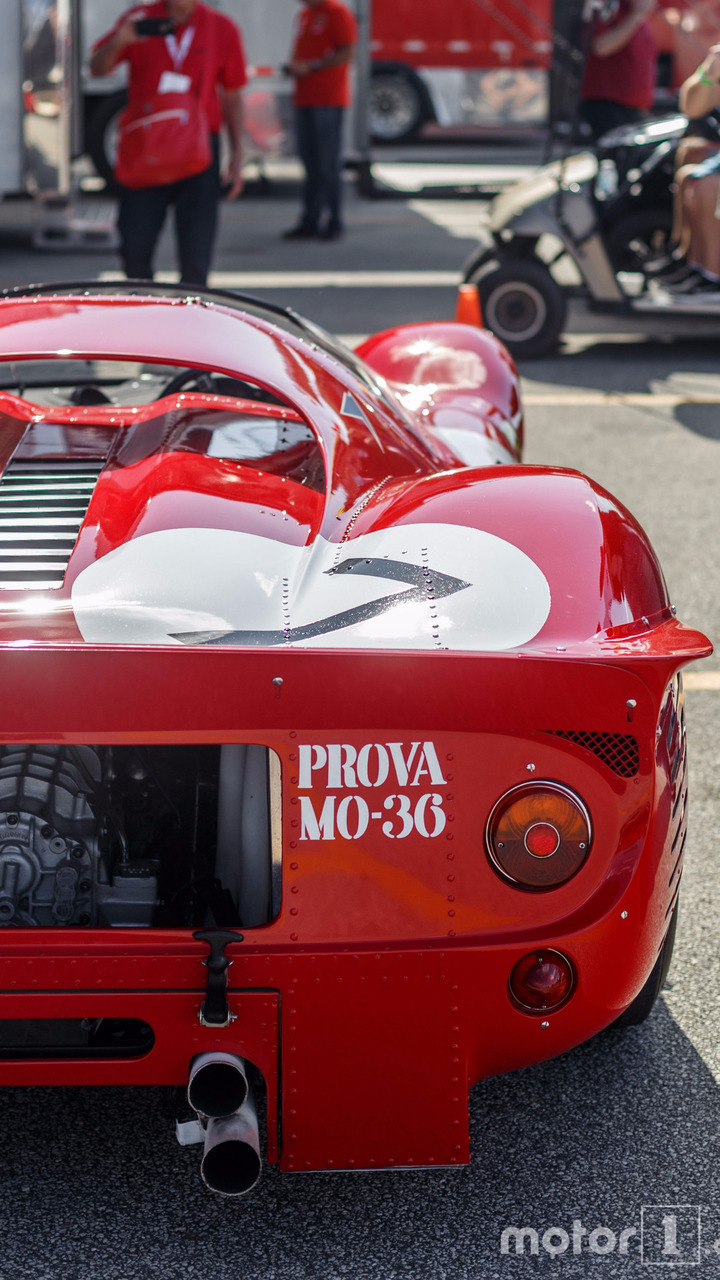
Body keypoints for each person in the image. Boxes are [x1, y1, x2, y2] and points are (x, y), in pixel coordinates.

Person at [90, 0, 247, 285]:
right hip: (147, 147)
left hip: (198, 149)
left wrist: (237, 155)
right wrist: (119, 41)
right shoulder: (138, 19)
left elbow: (232, 94)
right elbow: (97, 69)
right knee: (134, 245)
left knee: (196, 253)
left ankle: (191, 319)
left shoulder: (221, 27)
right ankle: (145, 310)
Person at [283, 0, 357, 241]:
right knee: (310, 163)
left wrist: (313, 66)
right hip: (304, 98)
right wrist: (294, 66)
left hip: (327, 99)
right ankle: (310, 220)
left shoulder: (336, 12)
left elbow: (347, 51)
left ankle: (334, 221)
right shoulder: (304, 14)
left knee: (327, 163)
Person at [580, 0, 657, 142]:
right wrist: (636, 16)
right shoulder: (610, 8)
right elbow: (601, 47)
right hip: (608, 102)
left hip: (633, 105)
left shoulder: (640, 18)